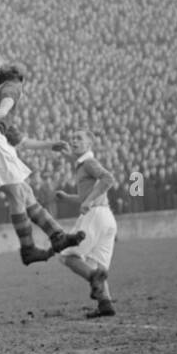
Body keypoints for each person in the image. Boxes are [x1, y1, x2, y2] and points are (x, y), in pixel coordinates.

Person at [0, 59, 84, 265]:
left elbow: (23, 142)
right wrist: (3, 111)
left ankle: (57, 236)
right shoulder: (12, 86)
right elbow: (8, 100)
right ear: (20, 78)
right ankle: (28, 248)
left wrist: (51, 145)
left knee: (25, 192)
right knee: (17, 194)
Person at [51, 129, 118, 317]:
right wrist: (67, 198)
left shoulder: (88, 163)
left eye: (79, 138)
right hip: (107, 217)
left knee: (66, 256)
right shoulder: (81, 165)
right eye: (72, 138)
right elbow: (85, 196)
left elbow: (108, 179)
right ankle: (105, 304)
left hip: (95, 215)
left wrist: (88, 202)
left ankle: (93, 279)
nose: (73, 140)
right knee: (96, 264)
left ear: (89, 144)